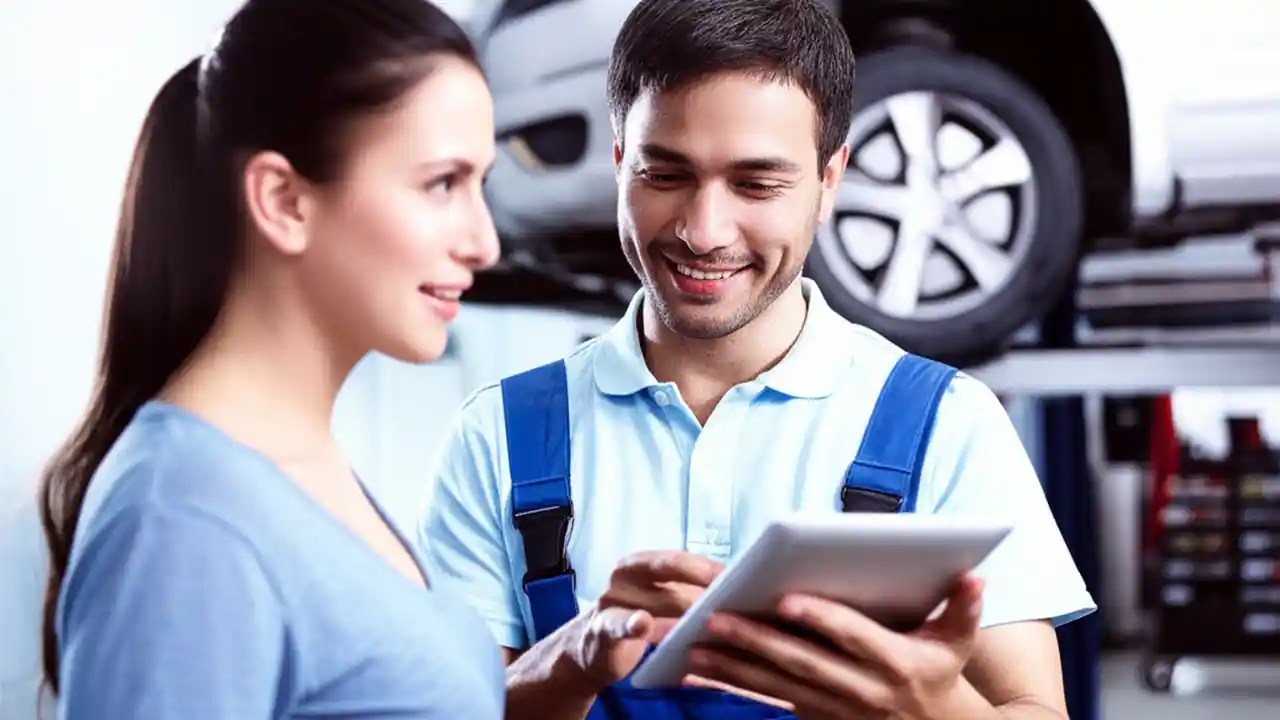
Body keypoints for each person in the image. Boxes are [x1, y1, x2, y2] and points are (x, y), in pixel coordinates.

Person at [420, 0, 1097, 718]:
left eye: (756, 185)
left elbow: (1035, 709)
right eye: (665, 174)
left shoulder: (950, 426)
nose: (704, 232)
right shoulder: (497, 436)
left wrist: (932, 708)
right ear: (620, 163)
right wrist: (572, 660)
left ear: (830, 180)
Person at [36, 0, 514, 717]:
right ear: (284, 201)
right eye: (442, 183)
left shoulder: (291, 468)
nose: (485, 244)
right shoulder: (185, 522)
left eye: (481, 184)